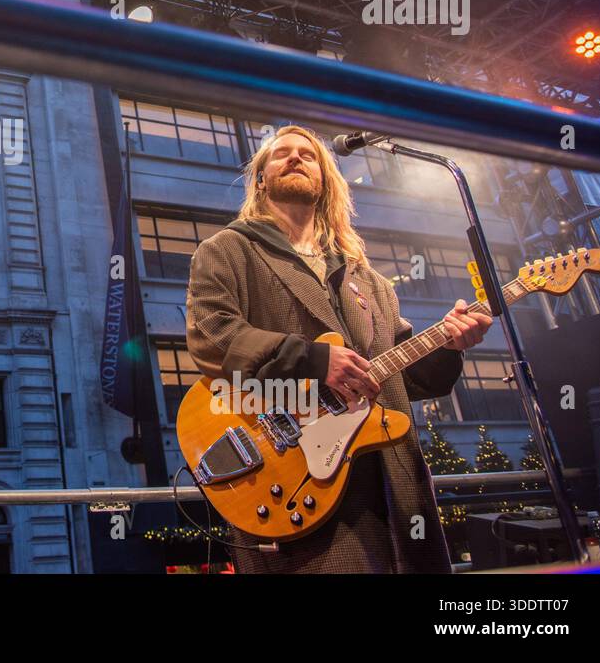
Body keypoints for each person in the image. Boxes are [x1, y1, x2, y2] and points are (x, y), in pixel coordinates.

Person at [185, 125, 492, 572]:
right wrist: (313, 360)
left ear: (326, 179)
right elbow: (212, 337)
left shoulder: (369, 280)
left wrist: (449, 343)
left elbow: (405, 379)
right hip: (295, 479)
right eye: (281, 154)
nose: (294, 158)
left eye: (307, 154)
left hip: (390, 483)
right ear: (261, 179)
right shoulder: (228, 250)